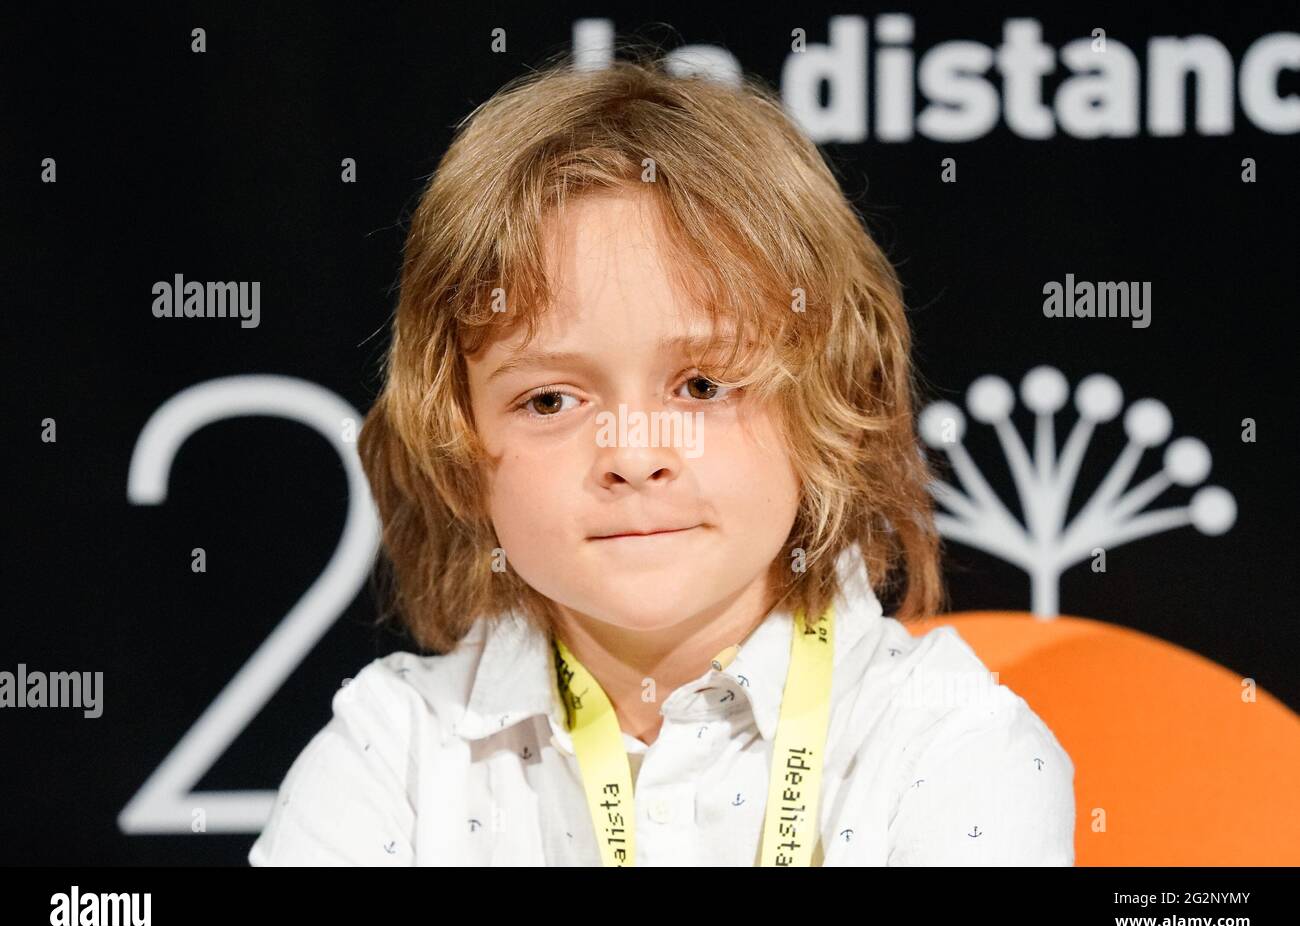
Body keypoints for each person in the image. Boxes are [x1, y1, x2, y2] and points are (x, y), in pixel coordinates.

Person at [248, 48, 1074, 866]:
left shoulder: (952, 744)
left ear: (830, 401)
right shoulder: (390, 757)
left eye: (704, 385)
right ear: (456, 440)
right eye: (549, 400)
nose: (635, 456)